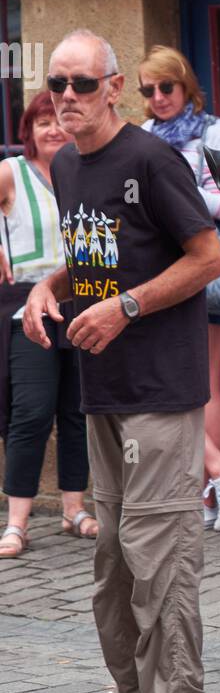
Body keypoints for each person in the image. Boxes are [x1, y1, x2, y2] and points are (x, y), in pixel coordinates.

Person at [23, 30, 220, 693]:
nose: (67, 96)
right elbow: (92, 267)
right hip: (101, 385)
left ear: (114, 87)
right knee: (114, 555)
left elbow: (209, 257)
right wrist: (48, 289)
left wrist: (128, 307)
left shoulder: (151, 157)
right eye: (57, 82)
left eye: (83, 83)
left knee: (159, 546)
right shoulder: (69, 165)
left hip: (160, 387)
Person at [138, 45, 220, 532]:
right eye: (148, 90)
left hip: (207, 271)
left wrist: (179, 193)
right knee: (166, 379)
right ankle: (213, 478)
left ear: (186, 86)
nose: (159, 98)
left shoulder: (215, 132)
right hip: (162, 272)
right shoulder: (142, 136)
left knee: (203, 381)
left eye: (167, 87)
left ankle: (213, 488)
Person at [0, 93, 90, 558]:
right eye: (41, 122)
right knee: (31, 413)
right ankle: (16, 522)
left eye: (57, 120)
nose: (51, 129)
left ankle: (74, 508)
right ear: (28, 131)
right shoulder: (11, 172)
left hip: (83, 304)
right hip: (27, 310)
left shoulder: (83, 171)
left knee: (78, 411)